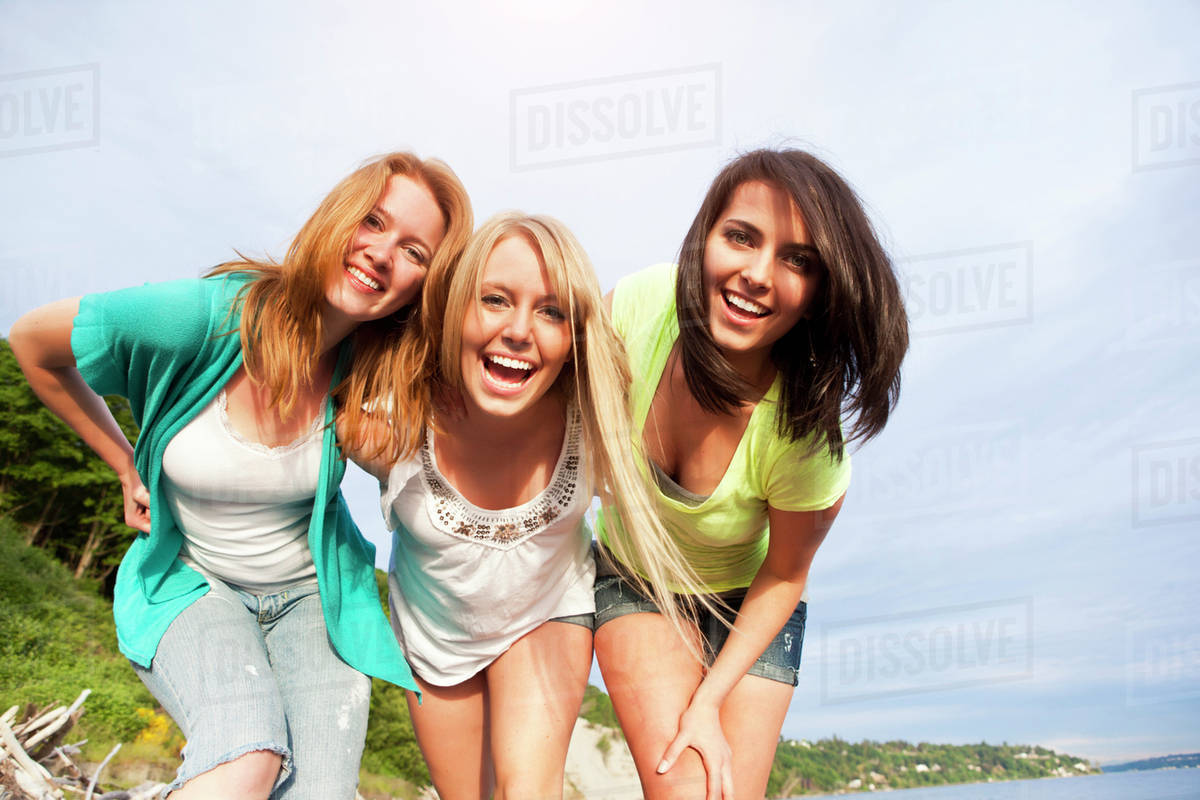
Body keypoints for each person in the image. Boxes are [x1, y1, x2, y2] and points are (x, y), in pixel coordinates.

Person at [8, 152, 473, 800]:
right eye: (372, 221)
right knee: (247, 757)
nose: (382, 253)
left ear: (424, 283)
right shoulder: (197, 317)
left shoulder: (373, 372)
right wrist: (122, 463)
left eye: (415, 251)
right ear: (337, 217)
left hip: (311, 601)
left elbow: (454, 475)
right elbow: (32, 342)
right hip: (194, 583)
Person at [348, 211, 700, 800]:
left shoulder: (592, 421)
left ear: (573, 337)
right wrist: (136, 463)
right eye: (494, 300)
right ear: (456, 309)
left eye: (551, 311)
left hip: (546, 611)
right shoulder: (387, 424)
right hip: (436, 638)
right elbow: (288, 392)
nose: (519, 330)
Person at [592, 148, 909, 800]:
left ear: (821, 292)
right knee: (684, 790)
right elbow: (543, 393)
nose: (757, 274)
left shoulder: (805, 439)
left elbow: (787, 573)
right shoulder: (639, 306)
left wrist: (710, 701)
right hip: (638, 580)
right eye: (741, 236)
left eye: (798, 260)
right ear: (705, 237)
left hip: (753, 604)